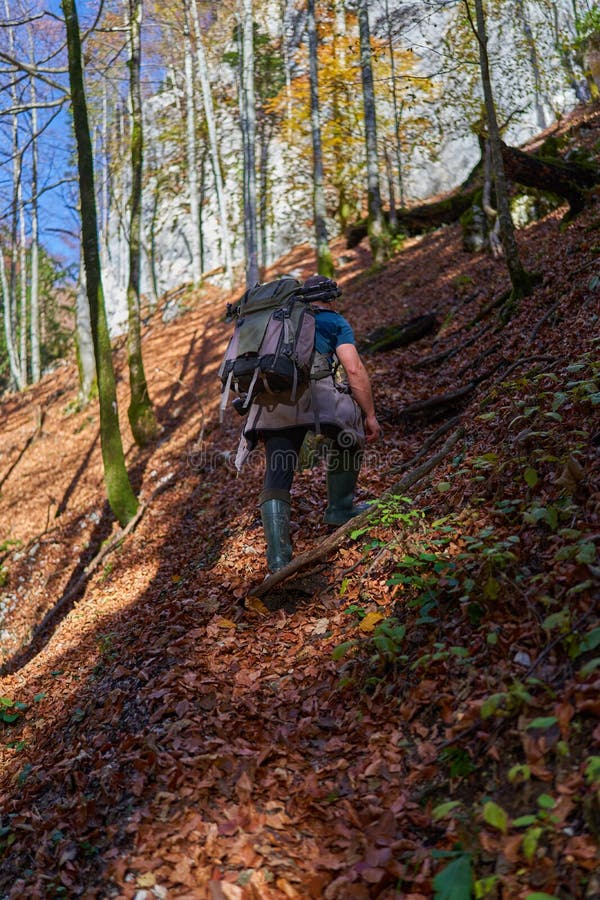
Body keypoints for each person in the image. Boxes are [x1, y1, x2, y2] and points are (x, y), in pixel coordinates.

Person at [235, 274, 381, 573]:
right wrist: (369, 415)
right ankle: (340, 508)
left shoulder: (276, 322)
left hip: (271, 402)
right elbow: (353, 370)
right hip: (317, 398)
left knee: (277, 473)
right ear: (332, 299)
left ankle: (278, 559)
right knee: (349, 434)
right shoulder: (333, 322)